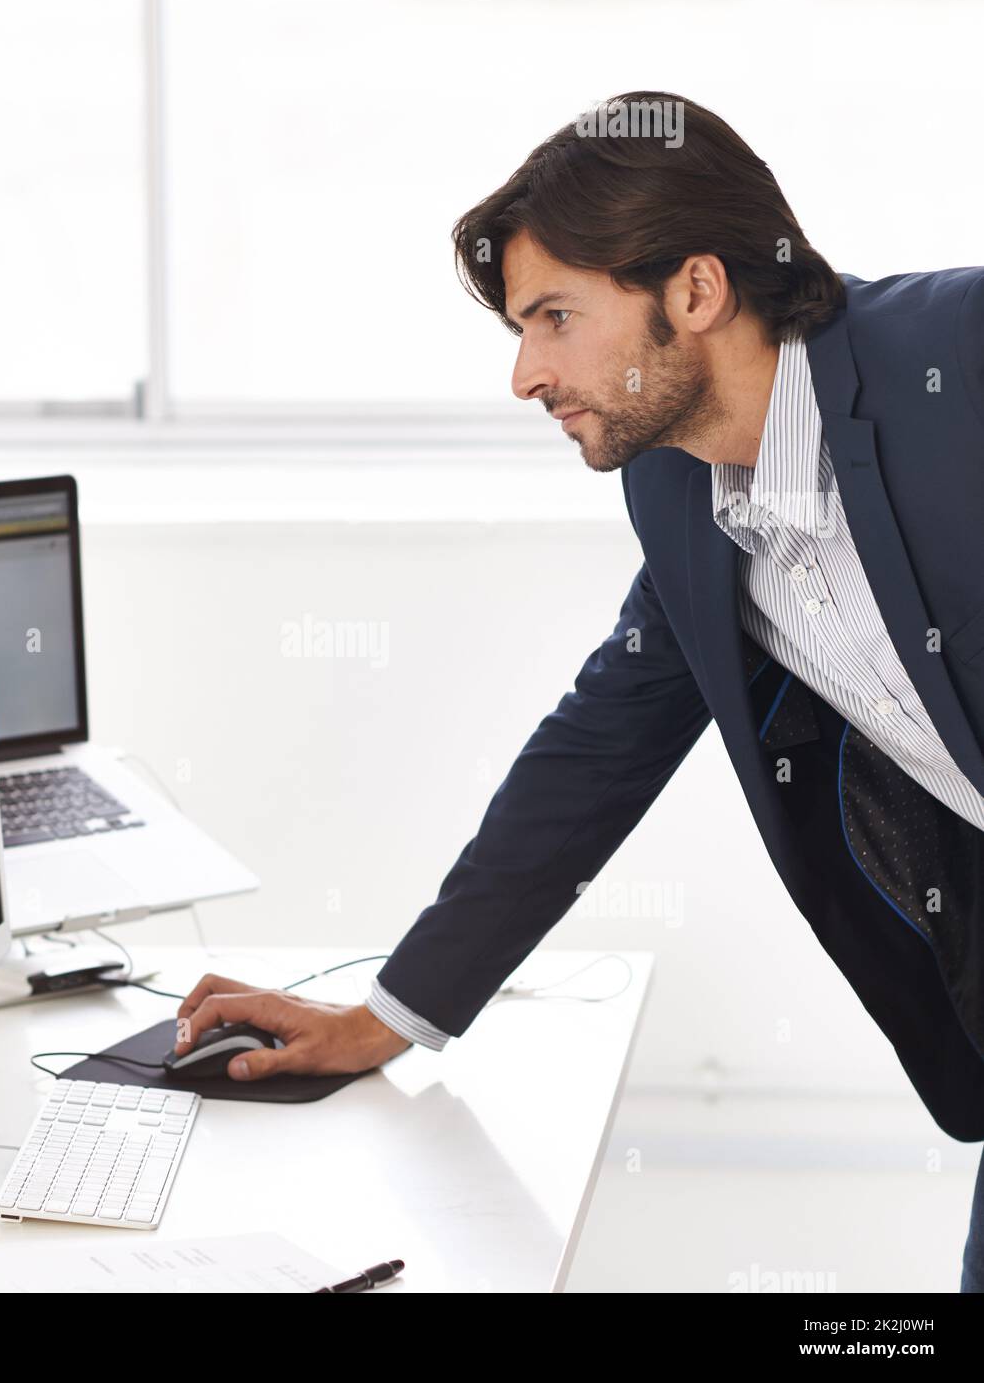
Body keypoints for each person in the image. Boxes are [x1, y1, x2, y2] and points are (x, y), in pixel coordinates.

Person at [175, 91, 984, 1291]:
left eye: (555, 317)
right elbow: (599, 745)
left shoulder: (955, 356)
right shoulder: (679, 483)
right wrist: (389, 1015)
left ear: (696, 291)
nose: (525, 373)